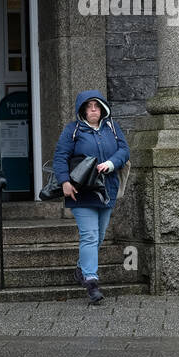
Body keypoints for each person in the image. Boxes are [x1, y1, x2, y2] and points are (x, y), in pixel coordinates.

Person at [52, 89, 130, 305]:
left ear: (102, 108)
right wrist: (64, 182)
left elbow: (124, 150)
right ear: (83, 110)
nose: (93, 110)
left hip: (107, 190)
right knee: (89, 235)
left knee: (100, 235)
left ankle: (82, 268)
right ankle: (92, 282)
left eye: (97, 106)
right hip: (81, 191)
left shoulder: (112, 128)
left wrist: (111, 163)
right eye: (89, 107)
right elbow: (60, 156)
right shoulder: (73, 130)